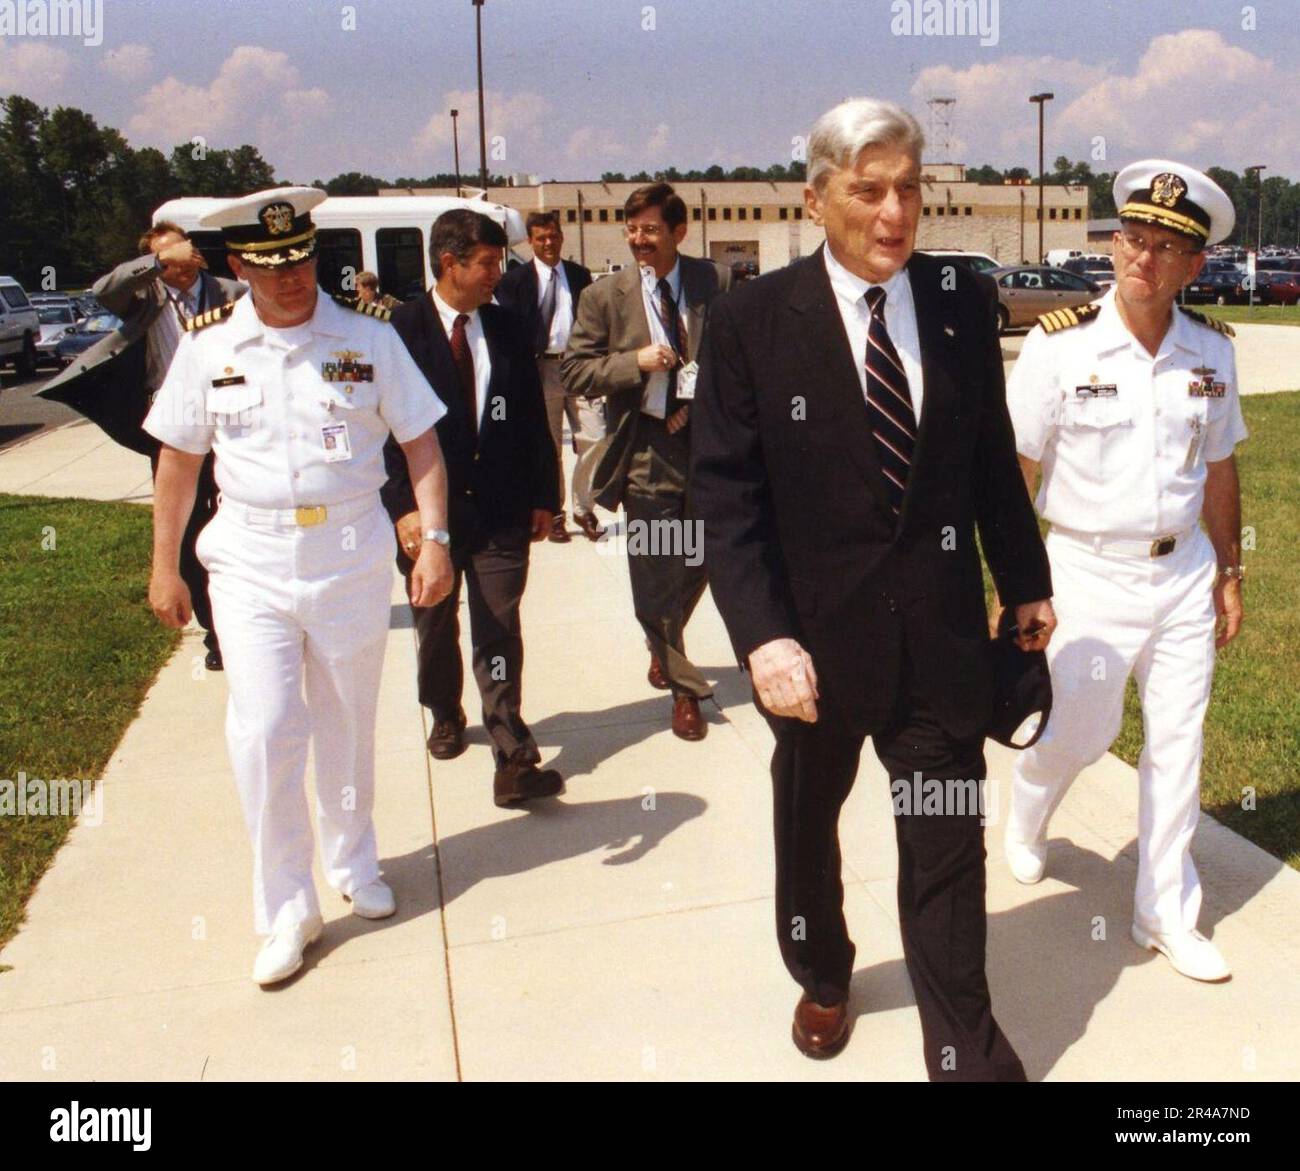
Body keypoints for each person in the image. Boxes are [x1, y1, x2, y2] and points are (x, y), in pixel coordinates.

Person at [691, 98, 1056, 1079]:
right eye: (869, 190)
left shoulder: (955, 300)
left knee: (945, 846)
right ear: (817, 199)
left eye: (909, 188)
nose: (894, 211)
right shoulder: (748, 324)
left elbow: (985, 460)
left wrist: (1023, 580)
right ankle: (822, 971)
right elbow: (725, 501)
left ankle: (961, 1041)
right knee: (809, 834)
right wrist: (765, 639)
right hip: (811, 654)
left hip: (936, 646)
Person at [143, 187, 454, 987]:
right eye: (272, 266)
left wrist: (435, 539)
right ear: (239, 264)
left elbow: (420, 443)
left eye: (303, 261)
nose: (292, 279)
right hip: (248, 556)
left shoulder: (367, 338)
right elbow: (178, 461)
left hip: (348, 550)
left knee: (346, 716)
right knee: (269, 725)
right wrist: (164, 562)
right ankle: (286, 908)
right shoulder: (208, 348)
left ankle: (354, 859)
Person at [1003, 161, 1246, 983]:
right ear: (1112, 244)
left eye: (1162, 247)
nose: (1140, 257)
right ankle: (1028, 807)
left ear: (1193, 264)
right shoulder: (1059, 343)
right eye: (1129, 239)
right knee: (1082, 729)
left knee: (1179, 742)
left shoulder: (1211, 349)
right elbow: (1019, 467)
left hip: (1182, 574)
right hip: (1084, 570)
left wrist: (1231, 570)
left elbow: (1219, 464)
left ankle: (1164, 913)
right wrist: (1014, 581)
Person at [381, 210, 563, 807]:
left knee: (499, 627)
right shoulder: (396, 331)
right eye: (486, 263)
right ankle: (444, 710)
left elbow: (534, 418)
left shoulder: (510, 326)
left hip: (502, 508)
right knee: (435, 623)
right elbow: (380, 431)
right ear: (449, 263)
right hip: (428, 517)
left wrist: (545, 497)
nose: (498, 273)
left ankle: (511, 753)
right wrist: (404, 507)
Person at [561, 183, 730, 741]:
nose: (639, 240)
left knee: (704, 559)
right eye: (631, 230)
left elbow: (737, 361)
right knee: (655, 571)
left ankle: (662, 639)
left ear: (679, 233)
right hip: (645, 453)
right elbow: (576, 373)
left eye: (650, 230)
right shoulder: (603, 297)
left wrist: (697, 406)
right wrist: (634, 362)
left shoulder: (715, 282)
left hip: (706, 450)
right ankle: (685, 692)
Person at [44, 222, 245, 670]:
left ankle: (248, 619)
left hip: (230, 418)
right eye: (163, 260)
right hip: (172, 425)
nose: (174, 266)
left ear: (196, 254)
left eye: (179, 254)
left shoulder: (231, 292)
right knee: (187, 526)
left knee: (236, 518)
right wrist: (156, 263)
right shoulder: (145, 296)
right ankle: (217, 634)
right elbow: (102, 290)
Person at [495, 210, 604, 543]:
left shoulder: (580, 275)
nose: (548, 243)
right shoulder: (513, 282)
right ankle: (554, 512)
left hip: (578, 365)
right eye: (541, 238)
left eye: (553, 236)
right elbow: (508, 330)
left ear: (561, 237)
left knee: (596, 436)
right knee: (550, 445)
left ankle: (583, 507)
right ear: (530, 241)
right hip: (539, 370)